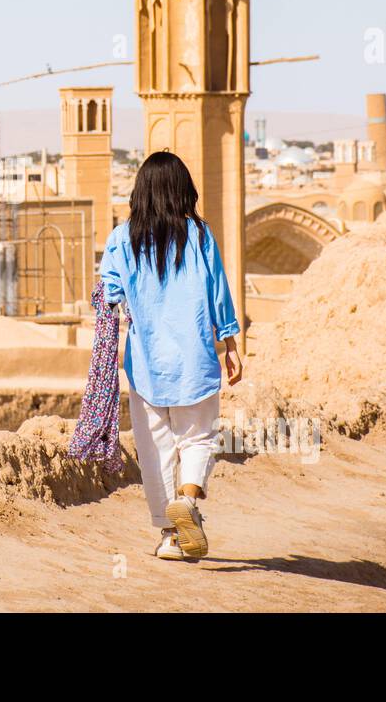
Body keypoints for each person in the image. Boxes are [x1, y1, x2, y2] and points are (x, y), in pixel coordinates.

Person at [99, 151, 243, 561]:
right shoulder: (200, 235)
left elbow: (109, 296)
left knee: (155, 449)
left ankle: (167, 536)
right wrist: (230, 342)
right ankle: (190, 502)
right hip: (195, 358)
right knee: (198, 438)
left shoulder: (120, 239)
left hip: (146, 365)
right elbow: (218, 290)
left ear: (139, 191)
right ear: (183, 190)